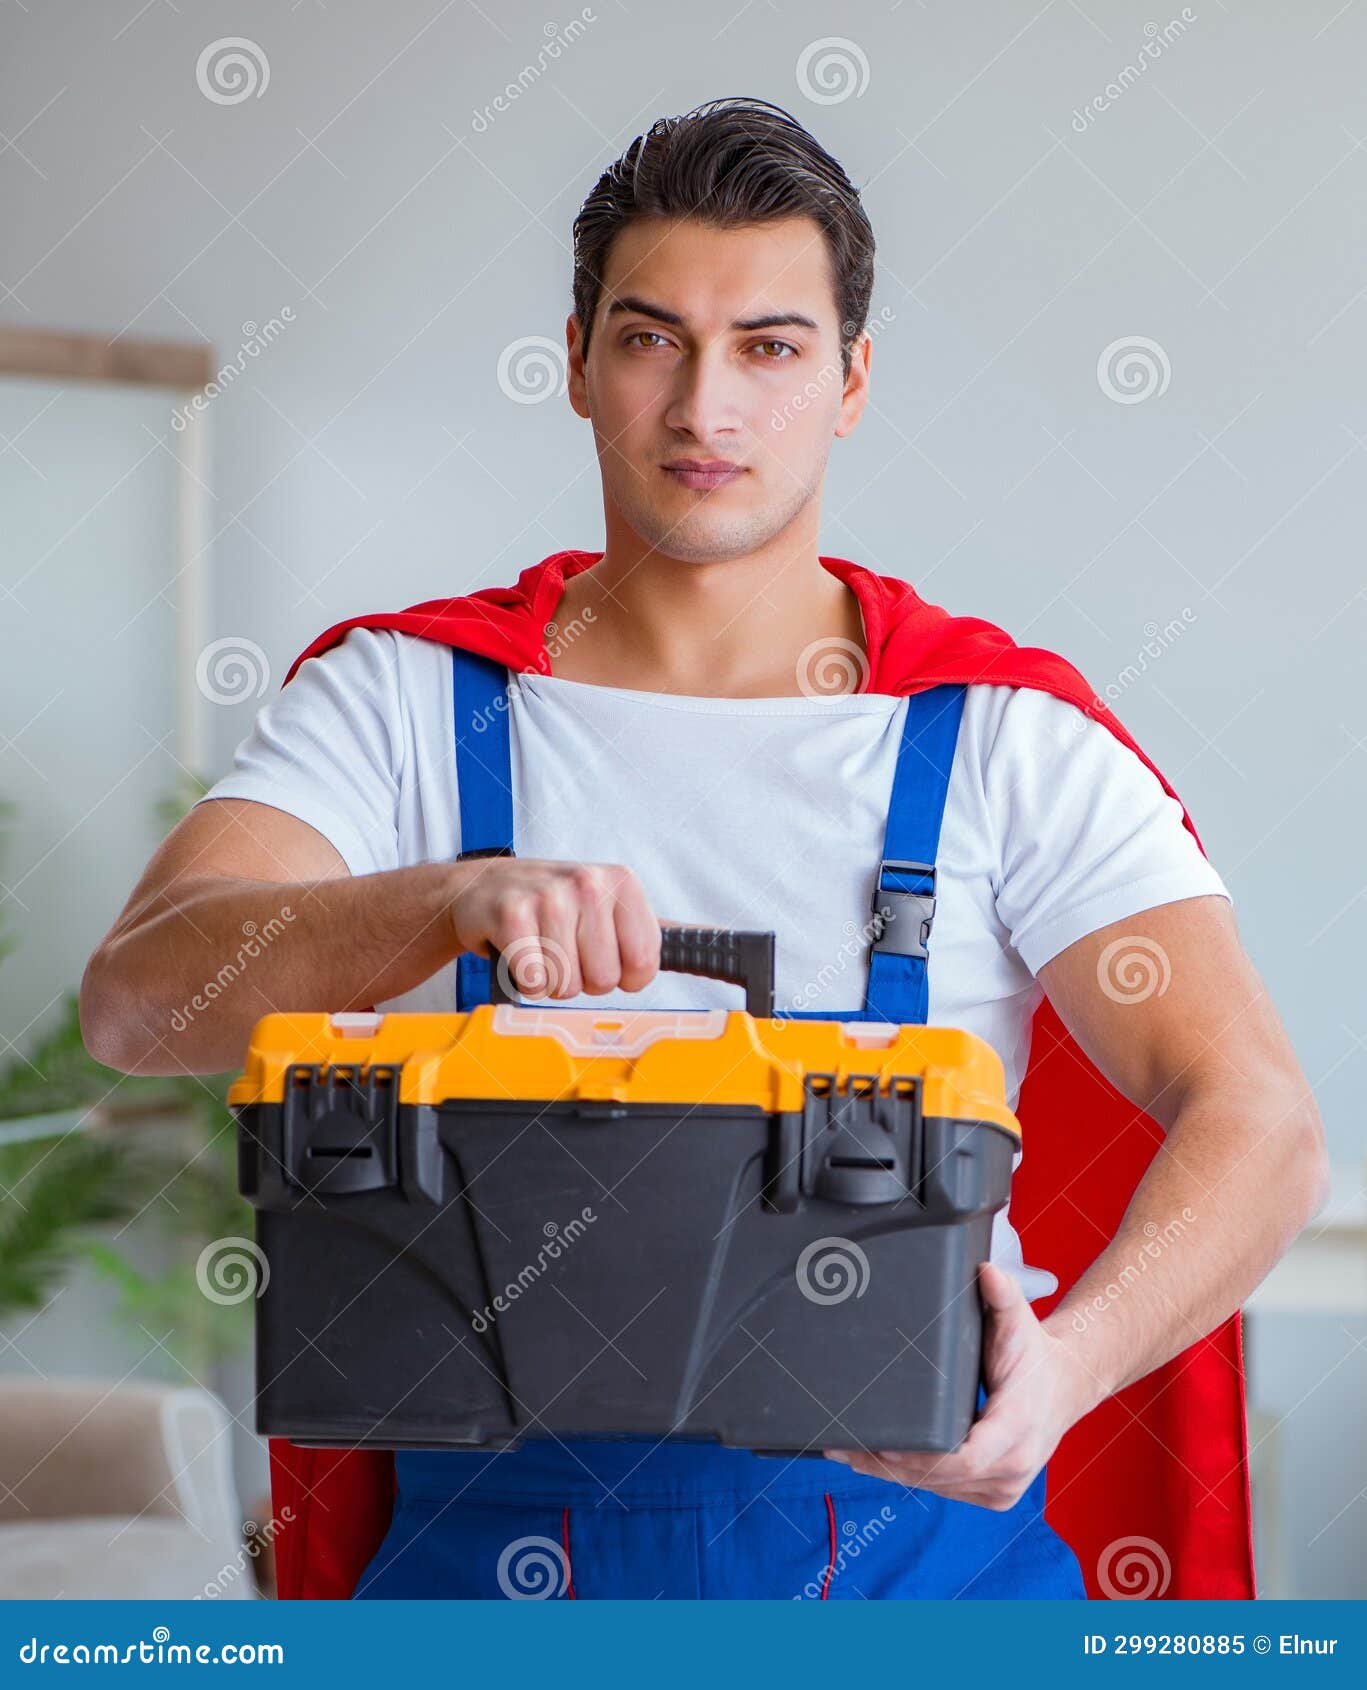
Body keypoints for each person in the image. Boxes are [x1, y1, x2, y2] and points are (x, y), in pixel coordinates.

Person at [81, 97, 1327, 1601]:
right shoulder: (408, 703)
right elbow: (137, 1006)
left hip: (918, 1561)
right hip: (496, 1561)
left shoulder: (1000, 738)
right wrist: (446, 898)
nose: (704, 409)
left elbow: (1262, 1122)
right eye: (652, 337)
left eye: (770, 347)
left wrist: (1064, 1377)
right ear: (578, 361)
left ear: (852, 379)